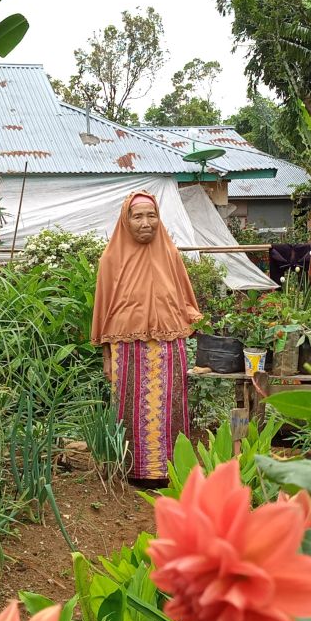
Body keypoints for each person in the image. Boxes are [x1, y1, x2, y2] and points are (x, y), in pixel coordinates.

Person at [91, 192, 202, 486]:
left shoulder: (169, 254)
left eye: (151, 215)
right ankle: (133, 471)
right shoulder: (111, 259)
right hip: (127, 349)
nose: (146, 223)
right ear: (126, 220)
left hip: (168, 347)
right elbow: (103, 311)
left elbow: (184, 298)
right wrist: (106, 357)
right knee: (130, 409)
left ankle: (171, 471)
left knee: (170, 405)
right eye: (138, 216)